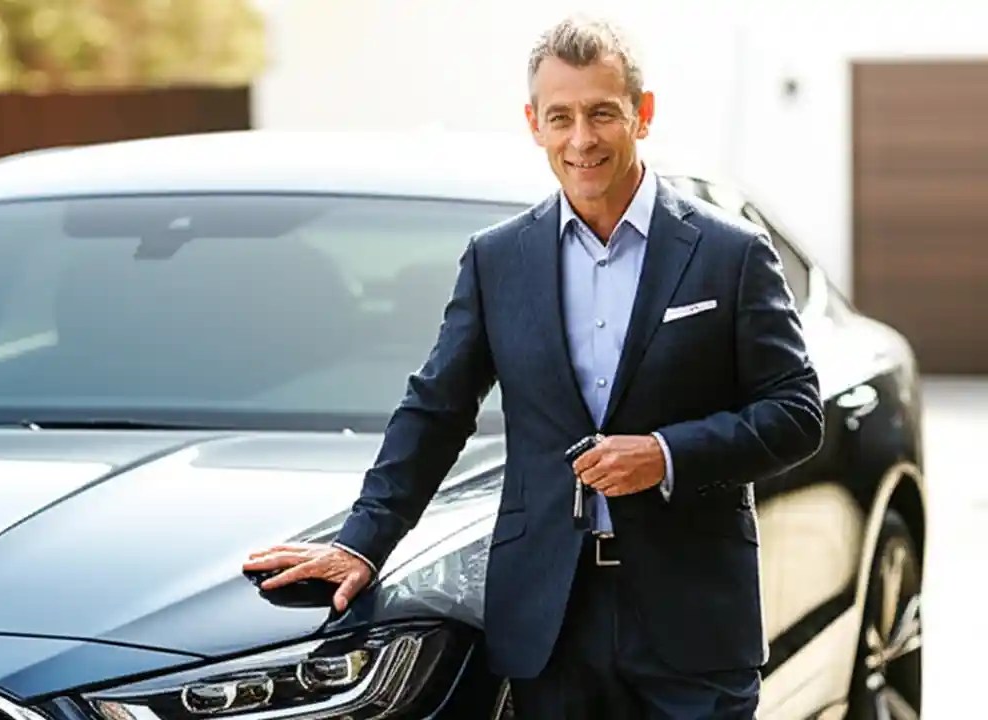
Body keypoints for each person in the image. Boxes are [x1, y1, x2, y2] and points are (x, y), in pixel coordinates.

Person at [242, 14, 824, 719]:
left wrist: (666, 455)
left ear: (642, 114)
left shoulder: (729, 253)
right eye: (562, 117)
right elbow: (437, 409)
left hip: (694, 620)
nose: (582, 139)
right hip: (551, 620)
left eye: (602, 113)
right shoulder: (498, 260)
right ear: (534, 123)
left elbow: (795, 414)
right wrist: (363, 544)